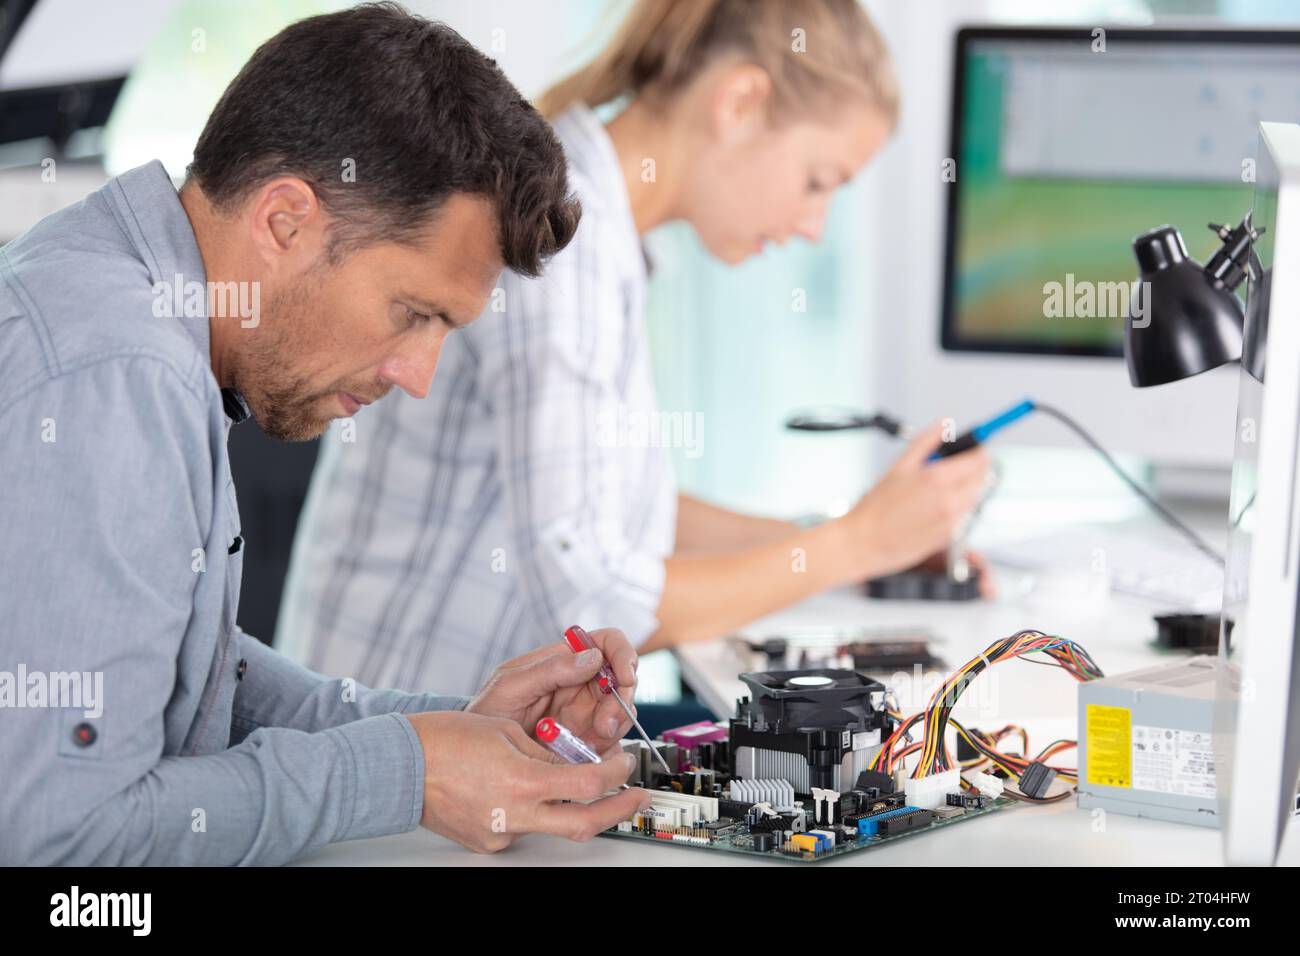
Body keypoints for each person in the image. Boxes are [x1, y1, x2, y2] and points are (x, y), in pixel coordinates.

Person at [0, 3, 651, 866]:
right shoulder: (120, 373)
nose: (416, 377)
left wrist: (450, 733)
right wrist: (407, 772)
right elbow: (64, 835)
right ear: (285, 221)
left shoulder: (125, 296)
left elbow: (182, 666)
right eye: (411, 313)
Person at [278, 0, 993, 699]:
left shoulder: (608, 235)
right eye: (818, 182)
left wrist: (853, 544)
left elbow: (617, 510)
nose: (814, 226)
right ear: (740, 102)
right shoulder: (561, 239)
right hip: (402, 765)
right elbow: (593, 606)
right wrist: (857, 544)